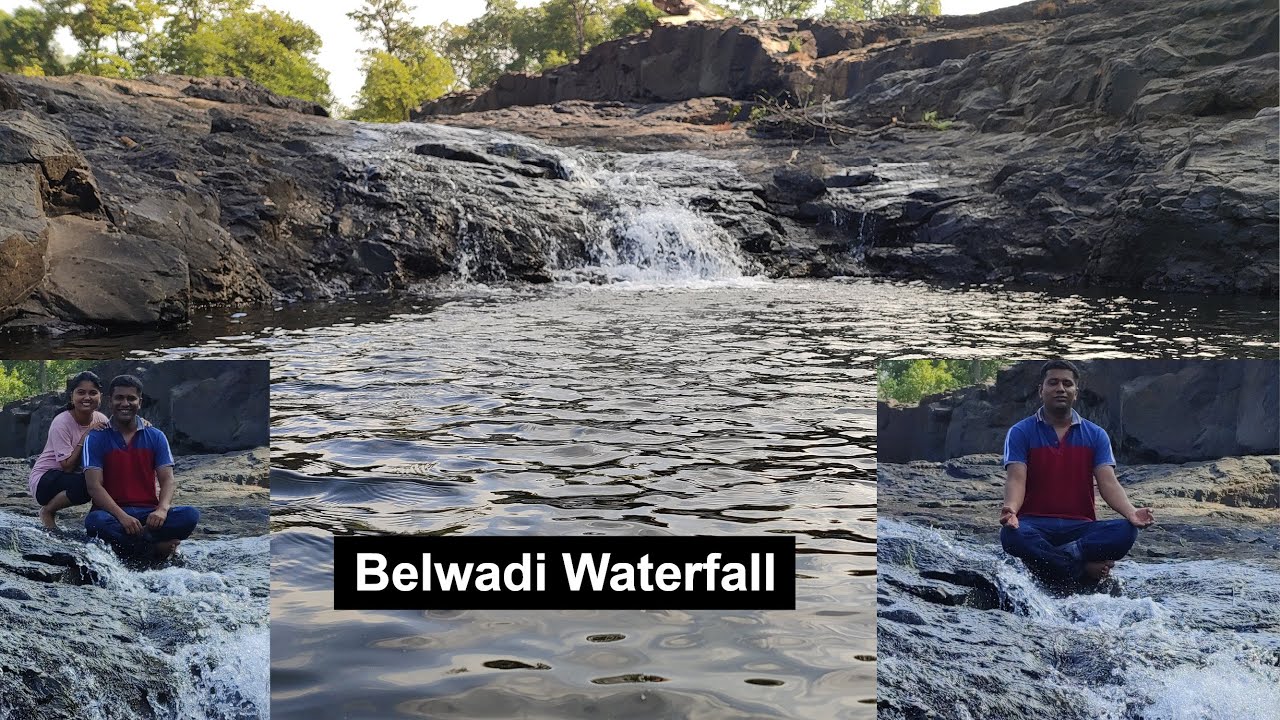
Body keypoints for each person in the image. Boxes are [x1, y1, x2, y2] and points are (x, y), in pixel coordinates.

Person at [999, 359, 1155, 590]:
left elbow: (1108, 483)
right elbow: (1016, 478)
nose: (1060, 388)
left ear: (1076, 392)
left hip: (1081, 528)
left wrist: (1131, 513)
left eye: (1067, 384)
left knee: (1125, 532)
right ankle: (1079, 569)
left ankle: (1055, 560)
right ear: (1041, 390)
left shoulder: (1096, 434)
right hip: (1035, 525)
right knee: (1011, 536)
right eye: (1053, 383)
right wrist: (1011, 510)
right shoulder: (1020, 432)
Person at [82, 374, 200, 559]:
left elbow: (168, 479)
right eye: (119, 398)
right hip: (111, 515)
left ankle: (133, 544)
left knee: (189, 515)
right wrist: (122, 517)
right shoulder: (96, 438)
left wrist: (162, 510)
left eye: (131, 398)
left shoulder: (156, 436)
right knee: (95, 522)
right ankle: (153, 547)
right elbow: (93, 486)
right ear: (109, 401)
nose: (125, 403)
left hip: (149, 514)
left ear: (140, 402)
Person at [29, 372, 110, 529]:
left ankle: (99, 518)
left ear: (100, 397)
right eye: (81, 392)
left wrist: (141, 424)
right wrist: (85, 435)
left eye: (93, 393)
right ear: (71, 396)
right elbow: (67, 466)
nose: (87, 397)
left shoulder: (101, 419)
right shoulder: (62, 422)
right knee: (89, 484)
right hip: (46, 480)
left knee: (106, 477)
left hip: (73, 477)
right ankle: (47, 511)